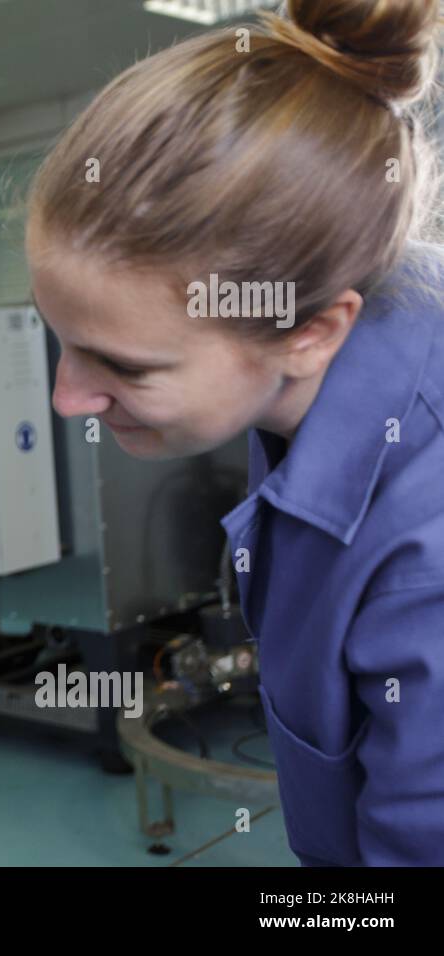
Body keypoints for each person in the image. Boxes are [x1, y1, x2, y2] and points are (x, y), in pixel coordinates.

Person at [25, 0, 444, 865]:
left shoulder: (425, 548)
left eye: (127, 367)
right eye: (60, 340)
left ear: (311, 334)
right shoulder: (322, 357)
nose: (68, 400)